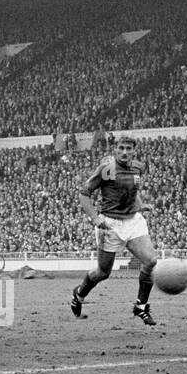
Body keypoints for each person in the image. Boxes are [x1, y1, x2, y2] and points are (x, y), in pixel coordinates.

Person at [69, 135, 160, 326]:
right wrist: (95, 217)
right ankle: (79, 294)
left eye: (128, 148)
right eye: (121, 148)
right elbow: (84, 194)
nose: (125, 152)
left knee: (151, 260)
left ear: (134, 150)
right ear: (115, 149)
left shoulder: (138, 167)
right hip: (110, 225)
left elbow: (131, 191)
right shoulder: (106, 169)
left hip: (133, 221)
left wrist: (141, 205)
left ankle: (141, 306)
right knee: (103, 272)